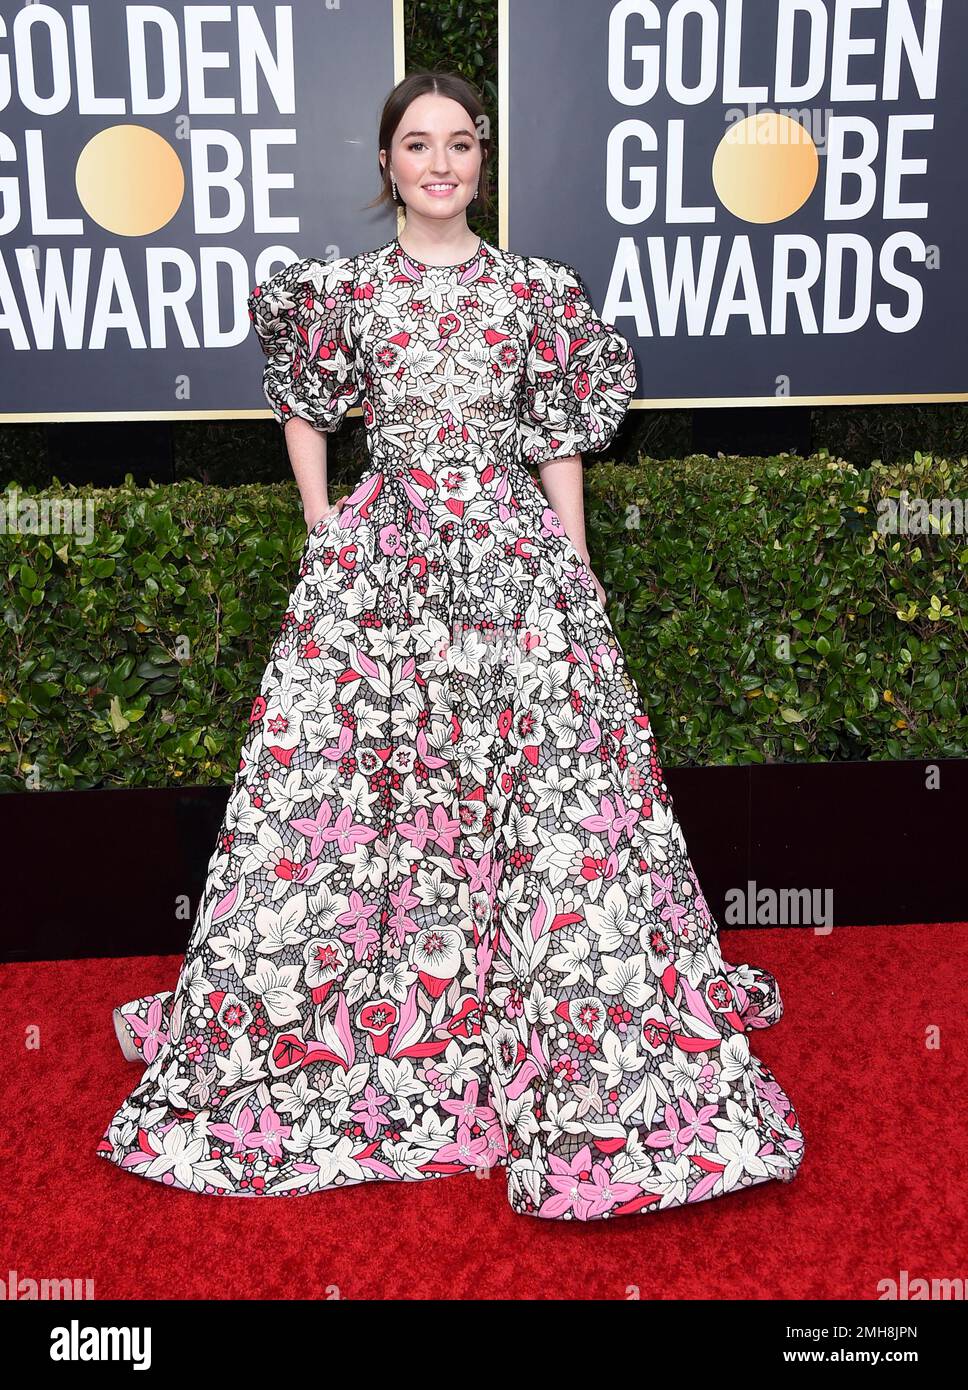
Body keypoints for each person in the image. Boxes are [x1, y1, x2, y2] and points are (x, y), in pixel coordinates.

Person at [96, 72, 805, 1221]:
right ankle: (390, 1014)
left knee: (540, 794)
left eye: (459, 144)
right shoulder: (346, 292)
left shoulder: (532, 293)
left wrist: (571, 563)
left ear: (483, 160)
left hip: (513, 564)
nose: (439, 163)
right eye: (417, 145)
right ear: (386, 164)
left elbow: (556, 436)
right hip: (386, 569)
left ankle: (545, 1012)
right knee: (376, 800)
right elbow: (302, 397)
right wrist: (322, 522)